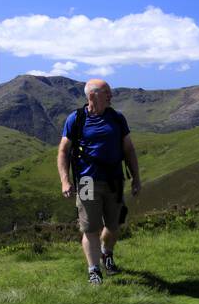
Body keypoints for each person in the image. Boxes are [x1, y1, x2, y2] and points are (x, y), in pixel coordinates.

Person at [57, 79, 141, 284]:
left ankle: (106, 253)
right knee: (90, 228)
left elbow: (128, 150)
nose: (111, 96)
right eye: (107, 92)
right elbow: (63, 151)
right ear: (93, 95)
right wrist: (65, 180)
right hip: (86, 182)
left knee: (114, 225)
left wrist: (136, 178)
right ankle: (94, 270)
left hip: (114, 180)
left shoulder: (117, 118)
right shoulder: (75, 119)